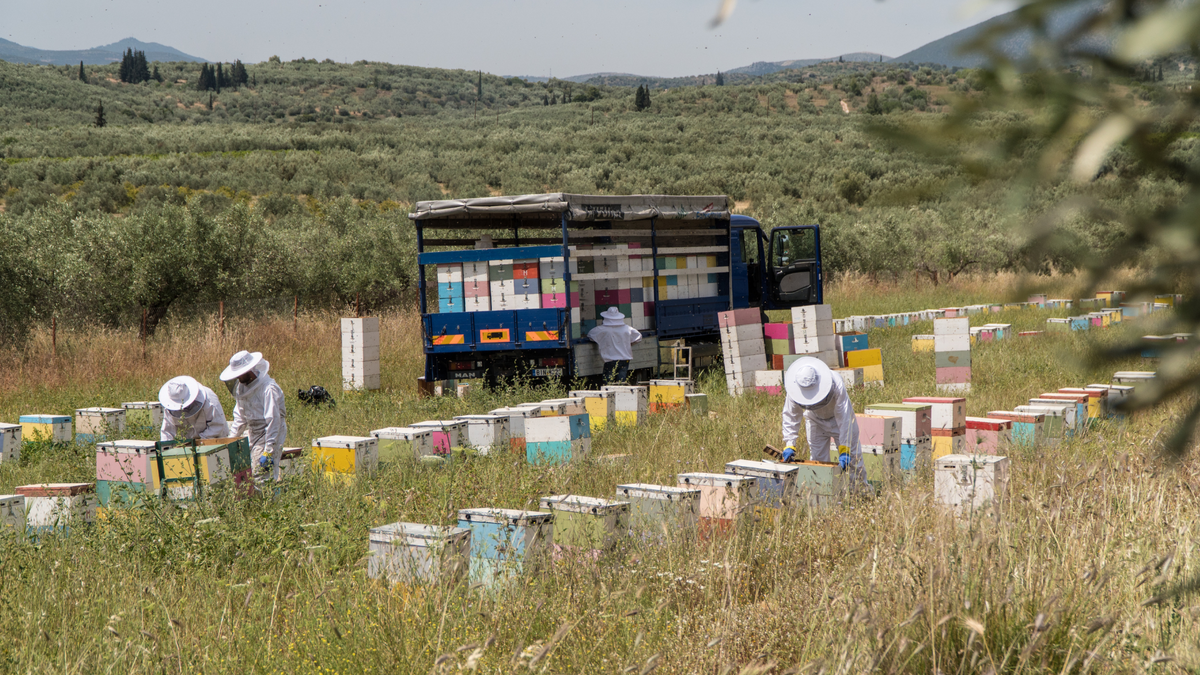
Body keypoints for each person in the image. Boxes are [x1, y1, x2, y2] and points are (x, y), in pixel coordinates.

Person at [780, 356, 868, 490]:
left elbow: (844, 417)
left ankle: (861, 493)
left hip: (838, 420)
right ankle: (823, 495)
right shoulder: (794, 389)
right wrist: (789, 444)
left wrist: (845, 448)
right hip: (815, 420)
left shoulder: (835, 382)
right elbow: (791, 415)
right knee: (818, 461)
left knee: (854, 461)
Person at [220, 350, 288, 480]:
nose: (238, 379)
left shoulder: (268, 388)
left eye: (240, 375)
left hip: (270, 432)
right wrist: (230, 441)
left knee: (261, 476)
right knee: (247, 472)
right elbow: (240, 418)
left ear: (248, 371)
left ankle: (270, 492)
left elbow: (273, 420)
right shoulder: (241, 388)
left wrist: (268, 450)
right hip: (253, 431)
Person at [157, 375, 230, 442]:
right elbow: (167, 432)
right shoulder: (170, 406)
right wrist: (165, 448)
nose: (182, 410)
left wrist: (199, 441)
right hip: (190, 442)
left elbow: (217, 426)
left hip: (215, 440)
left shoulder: (209, 400)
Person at [587, 307, 643, 383]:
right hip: (624, 359)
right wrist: (628, 344)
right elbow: (638, 337)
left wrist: (601, 340)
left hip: (610, 360)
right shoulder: (627, 329)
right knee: (621, 382)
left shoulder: (601, 329)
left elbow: (590, 335)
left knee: (608, 383)